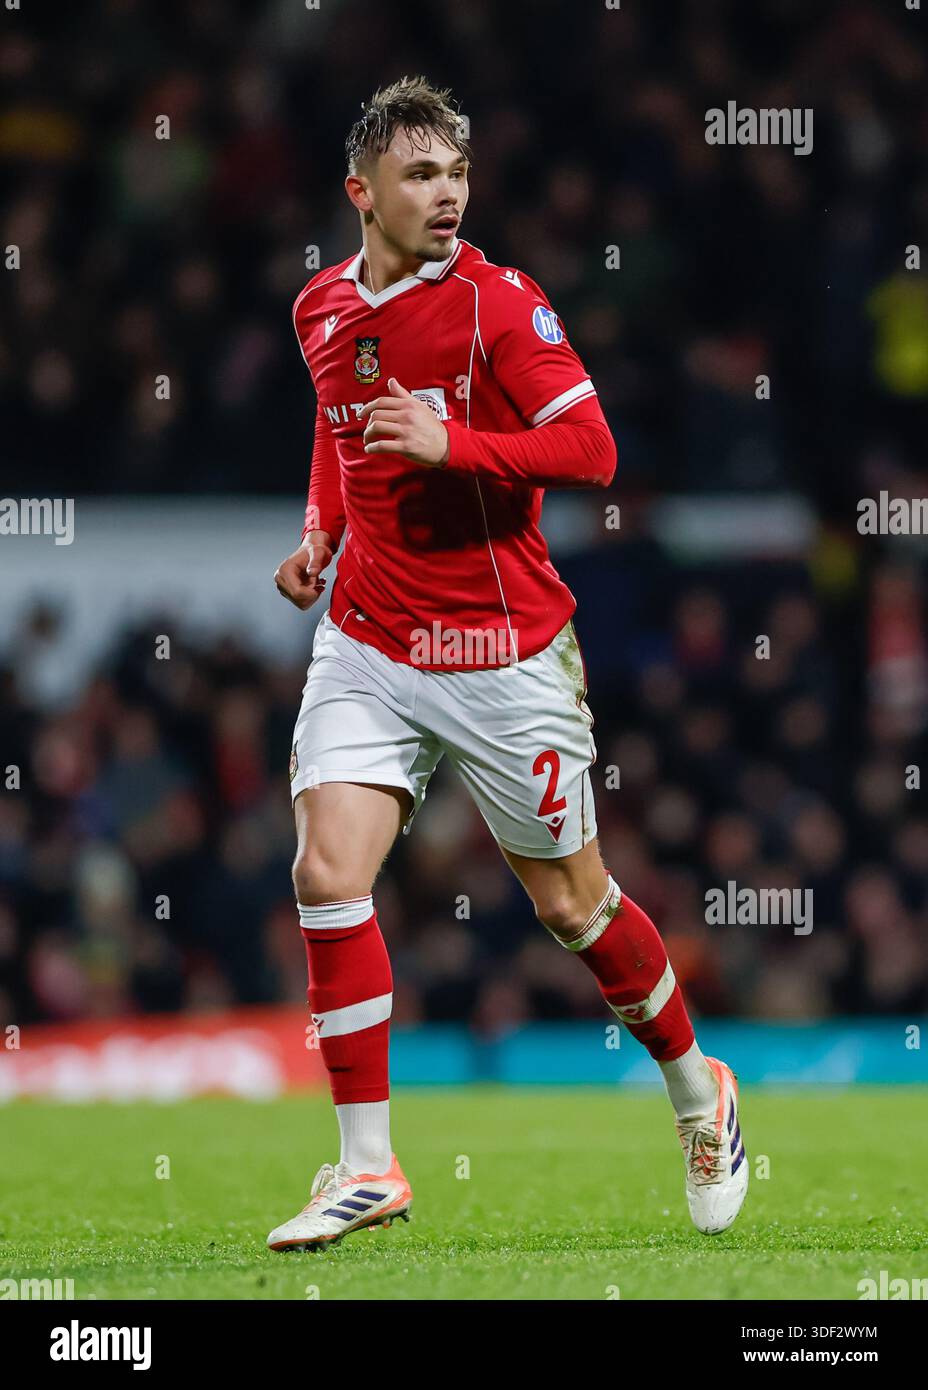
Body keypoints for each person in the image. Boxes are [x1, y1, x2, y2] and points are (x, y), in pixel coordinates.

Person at [268, 76, 747, 1250]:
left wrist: (457, 442)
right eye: (421, 174)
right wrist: (321, 529)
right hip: (372, 638)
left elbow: (592, 447)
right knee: (328, 873)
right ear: (361, 190)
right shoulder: (317, 309)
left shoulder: (498, 304)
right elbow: (341, 427)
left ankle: (699, 1092)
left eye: (458, 173)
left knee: (572, 904)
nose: (446, 194)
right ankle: (365, 1167)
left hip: (500, 649)